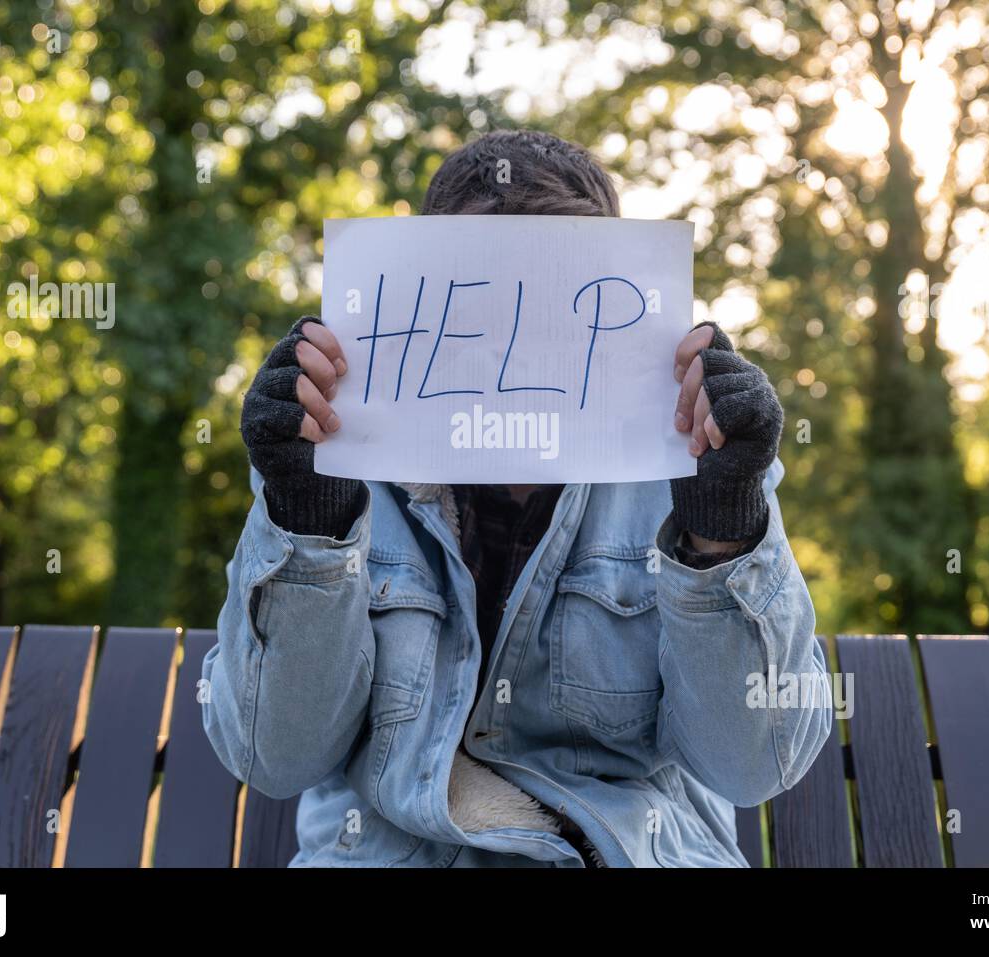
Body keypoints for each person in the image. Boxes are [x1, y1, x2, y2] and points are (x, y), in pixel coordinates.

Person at [202, 129, 832, 867]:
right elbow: (273, 756)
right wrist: (308, 520)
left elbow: (752, 765)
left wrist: (721, 534)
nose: (516, 341)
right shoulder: (326, 458)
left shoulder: (699, 463)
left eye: (559, 300)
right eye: (482, 296)